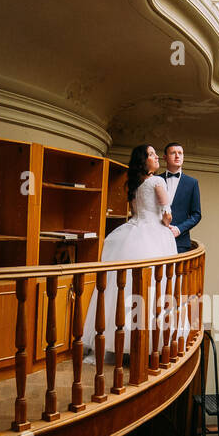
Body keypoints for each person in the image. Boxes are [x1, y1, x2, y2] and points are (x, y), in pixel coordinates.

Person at [83, 144, 176, 357]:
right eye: (151, 155)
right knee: (155, 286)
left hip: (134, 231)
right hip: (155, 234)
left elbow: (136, 212)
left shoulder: (135, 185)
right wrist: (168, 223)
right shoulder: (157, 181)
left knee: (123, 287)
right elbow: (166, 213)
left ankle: (122, 340)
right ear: (144, 161)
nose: (155, 158)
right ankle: (150, 342)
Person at [160, 142, 201, 252]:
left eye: (180, 153)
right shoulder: (156, 180)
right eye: (173, 153)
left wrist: (179, 229)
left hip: (180, 242)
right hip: (156, 239)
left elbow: (196, 215)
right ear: (165, 157)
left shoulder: (192, 183)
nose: (177, 156)